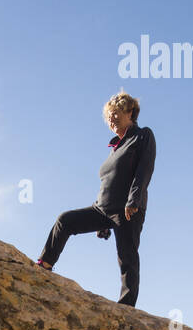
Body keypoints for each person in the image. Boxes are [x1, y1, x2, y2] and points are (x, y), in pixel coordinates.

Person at [35, 93, 156, 307]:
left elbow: (144, 169)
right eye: (108, 116)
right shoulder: (115, 148)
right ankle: (45, 264)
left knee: (126, 257)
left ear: (129, 112)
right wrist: (103, 222)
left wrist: (134, 200)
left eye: (115, 114)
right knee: (65, 220)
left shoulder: (142, 136)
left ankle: (126, 307)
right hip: (102, 209)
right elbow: (108, 182)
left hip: (127, 209)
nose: (111, 119)